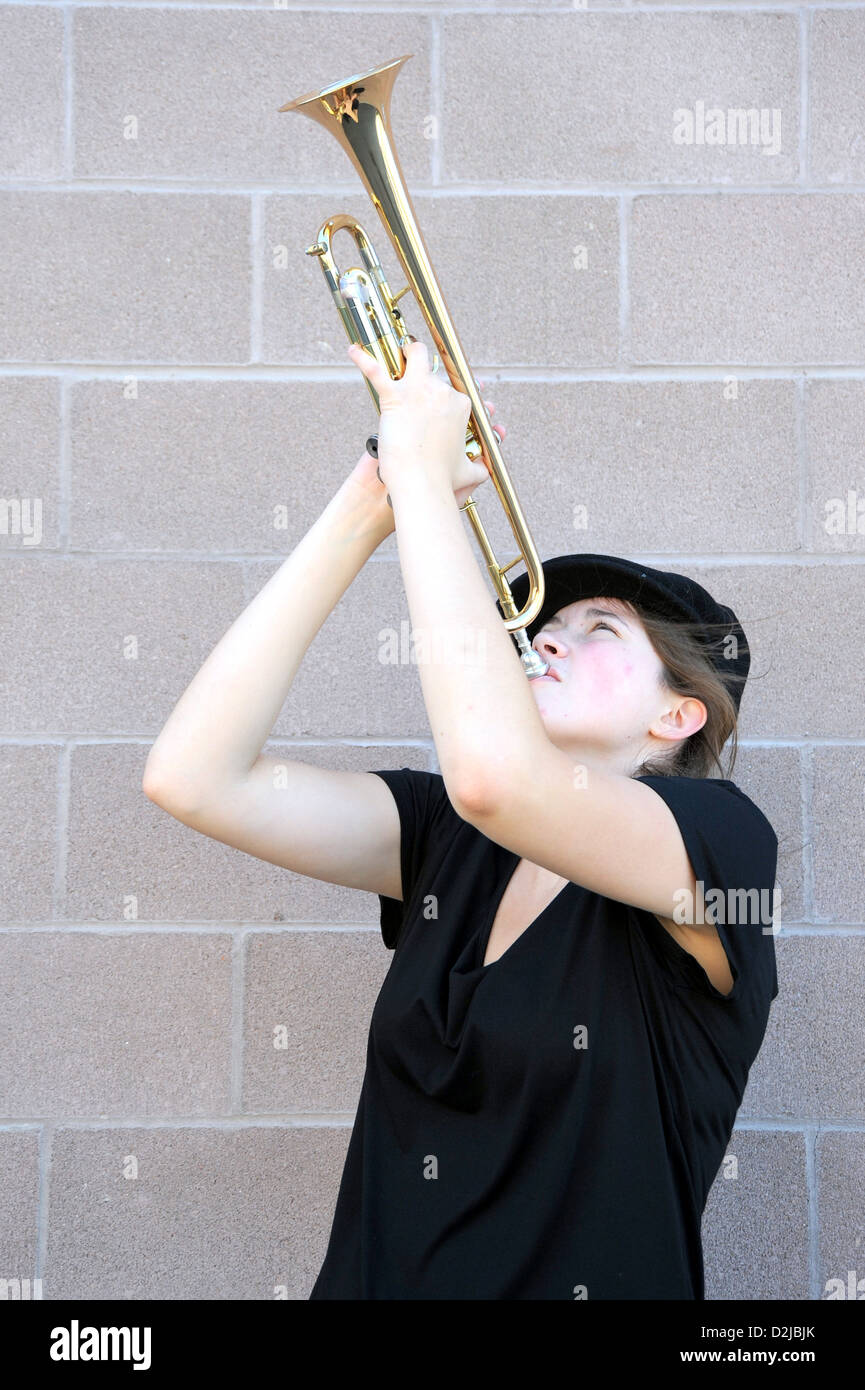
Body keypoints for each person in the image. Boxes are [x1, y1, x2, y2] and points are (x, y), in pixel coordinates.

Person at [142, 340, 780, 1300]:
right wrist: (374, 500)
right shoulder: (448, 833)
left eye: (597, 630)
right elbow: (193, 777)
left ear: (675, 715)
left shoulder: (723, 839)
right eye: (544, 629)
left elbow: (498, 779)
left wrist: (431, 483)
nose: (547, 640)